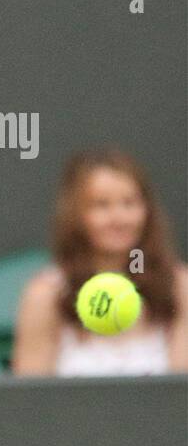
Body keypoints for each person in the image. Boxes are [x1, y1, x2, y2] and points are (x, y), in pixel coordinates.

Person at [13, 147, 188, 376]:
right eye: (101, 205)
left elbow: (179, 396)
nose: (119, 218)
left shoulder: (179, 285)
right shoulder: (45, 294)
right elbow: (29, 398)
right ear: (75, 215)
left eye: (129, 203)